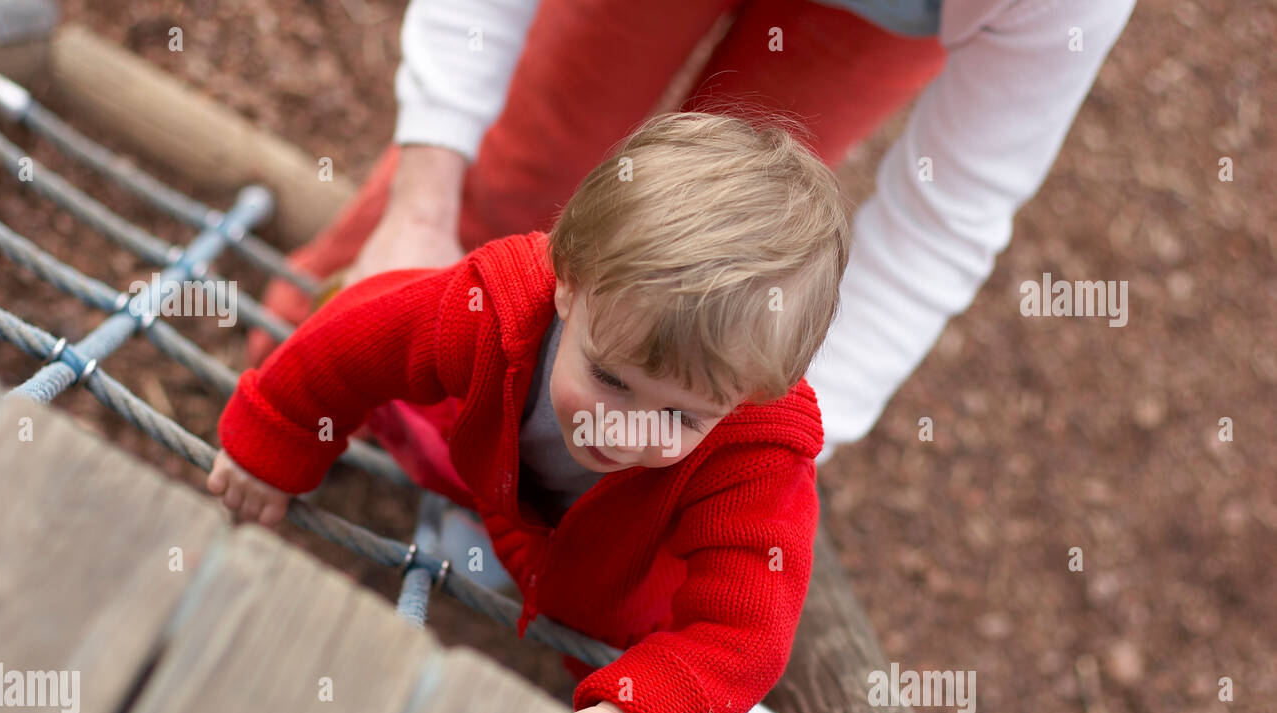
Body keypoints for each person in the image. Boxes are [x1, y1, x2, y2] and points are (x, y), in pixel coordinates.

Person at [209, 112, 849, 713]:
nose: (624, 428)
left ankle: (547, 613)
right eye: (610, 378)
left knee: (598, 652)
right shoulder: (499, 306)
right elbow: (362, 336)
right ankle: (478, 530)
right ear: (568, 282)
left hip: (619, 591)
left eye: (681, 417)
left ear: (746, 397)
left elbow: (745, 631)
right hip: (497, 481)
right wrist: (278, 432)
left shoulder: (756, 454)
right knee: (427, 433)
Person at [247, 0, 1137, 464]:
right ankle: (311, 377)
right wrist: (422, 206)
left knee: (736, 249)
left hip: (876, 19)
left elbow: (948, 213)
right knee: (523, 167)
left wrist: (778, 443)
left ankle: (515, 468)